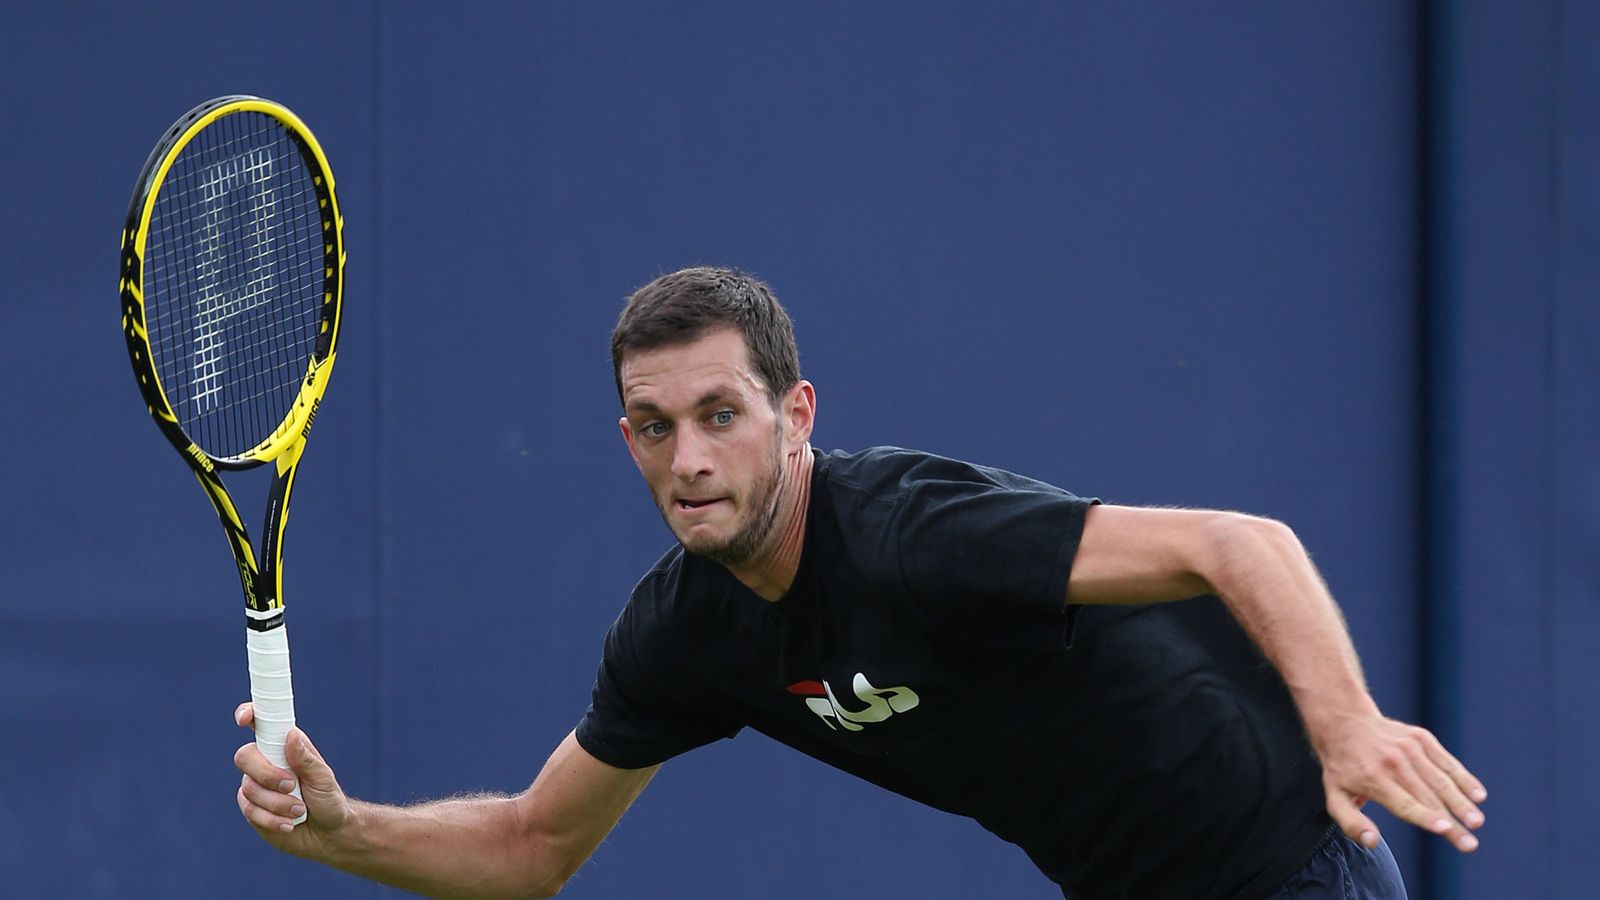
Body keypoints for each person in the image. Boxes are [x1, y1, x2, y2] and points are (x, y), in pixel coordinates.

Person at [235, 267, 1486, 899]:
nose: (691, 456)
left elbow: (1238, 543)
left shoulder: (916, 534)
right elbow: (529, 846)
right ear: (627, 441)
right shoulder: (683, 633)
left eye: (721, 413)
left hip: (1285, 870)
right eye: (654, 426)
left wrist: (1347, 725)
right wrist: (346, 832)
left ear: (796, 414)